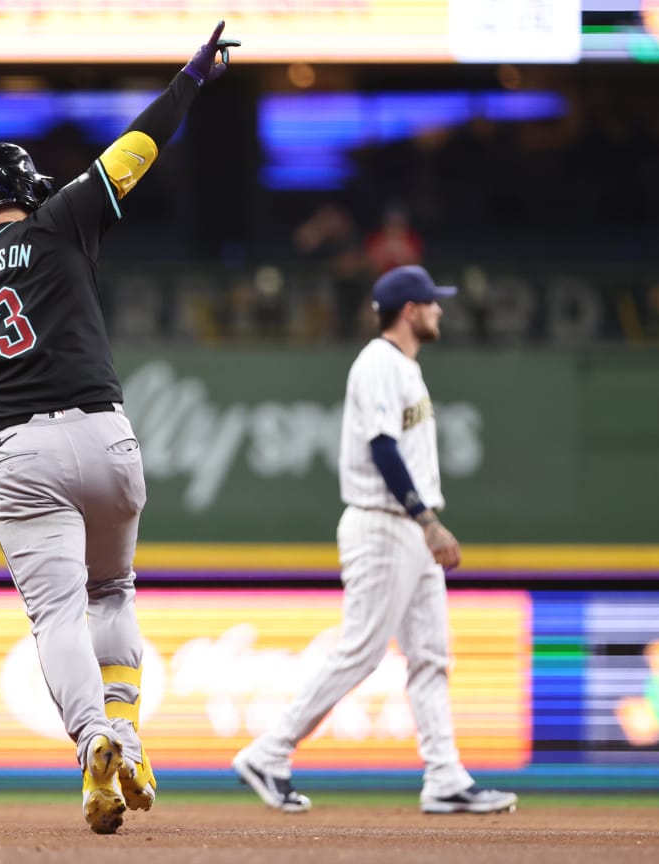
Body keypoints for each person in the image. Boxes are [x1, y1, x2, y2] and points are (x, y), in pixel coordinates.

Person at [0, 22, 239, 835]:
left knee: (58, 616)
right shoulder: (59, 222)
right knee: (114, 591)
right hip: (105, 434)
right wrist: (190, 82)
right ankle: (126, 733)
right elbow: (138, 148)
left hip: (17, 449)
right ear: (23, 189)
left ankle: (93, 738)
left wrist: (0, 418)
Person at [232, 264, 518, 816]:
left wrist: (423, 522)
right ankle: (269, 753)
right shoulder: (379, 363)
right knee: (361, 651)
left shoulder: (404, 368)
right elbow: (383, 447)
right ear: (410, 311)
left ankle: (445, 777)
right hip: (384, 522)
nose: (439, 310)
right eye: (432, 303)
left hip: (407, 526)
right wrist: (427, 520)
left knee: (431, 656)